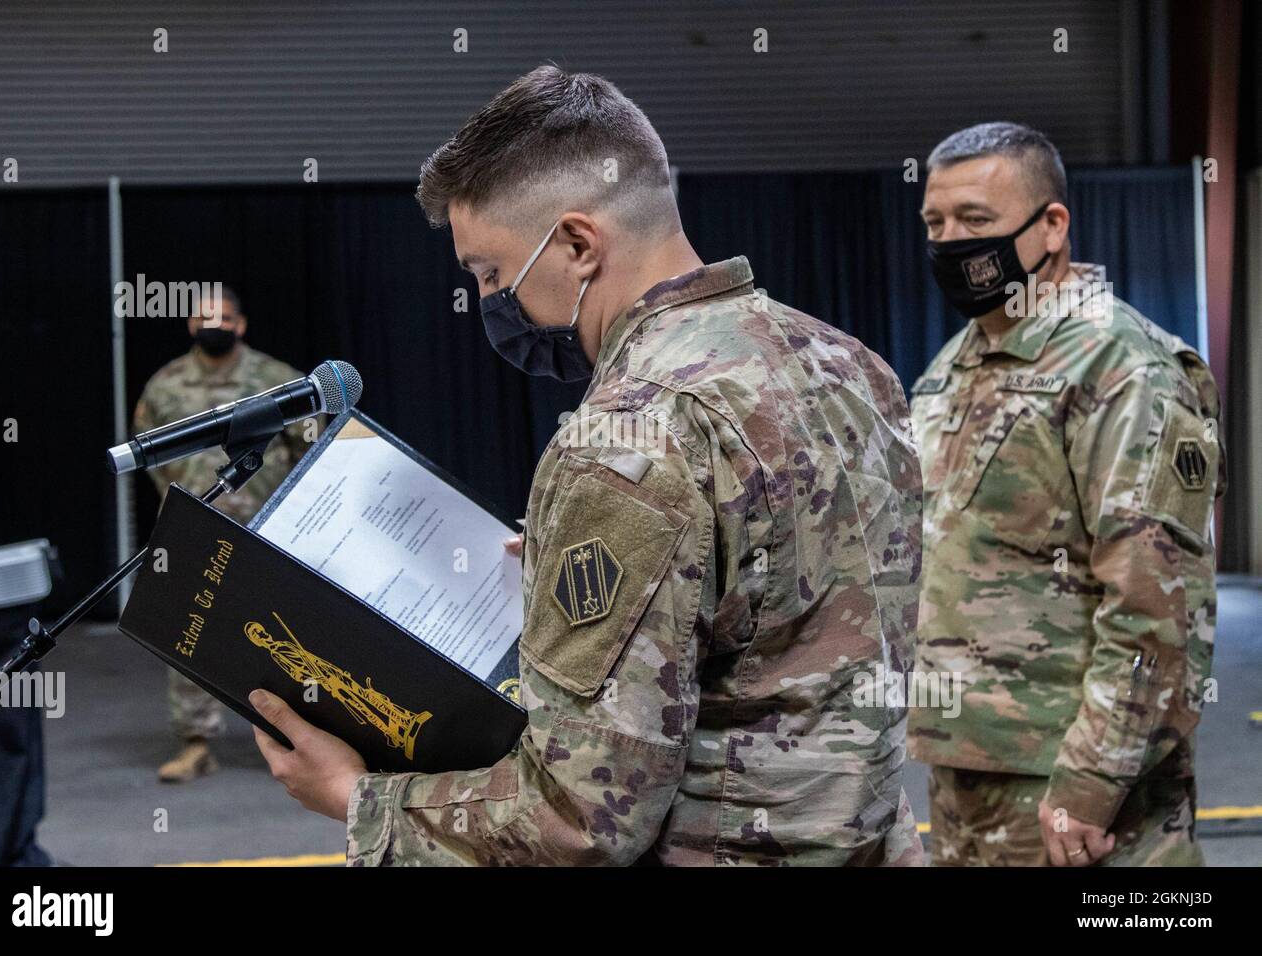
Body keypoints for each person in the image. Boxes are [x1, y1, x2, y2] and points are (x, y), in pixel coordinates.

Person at [248, 65, 924, 866]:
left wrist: (355, 801)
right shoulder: (850, 364)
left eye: (491, 273)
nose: (492, 302)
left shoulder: (623, 439)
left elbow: (579, 822)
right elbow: (798, 604)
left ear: (575, 243)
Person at [908, 122, 1224, 866]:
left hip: (1078, 796)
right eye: (934, 222)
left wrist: (1090, 782)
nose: (950, 241)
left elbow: (1158, 606)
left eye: (976, 221)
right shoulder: (957, 361)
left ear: (1052, 227)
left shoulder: (1123, 367)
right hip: (970, 777)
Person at [133, 287, 315, 782]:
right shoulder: (165, 386)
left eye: (223, 317)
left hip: (267, 535)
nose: (213, 325)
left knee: (284, 633)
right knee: (187, 631)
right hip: (194, 530)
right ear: (190, 325)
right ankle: (196, 742)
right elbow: (151, 455)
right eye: (202, 318)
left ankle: (298, 739)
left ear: (241, 323)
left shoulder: (276, 381)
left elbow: (311, 447)